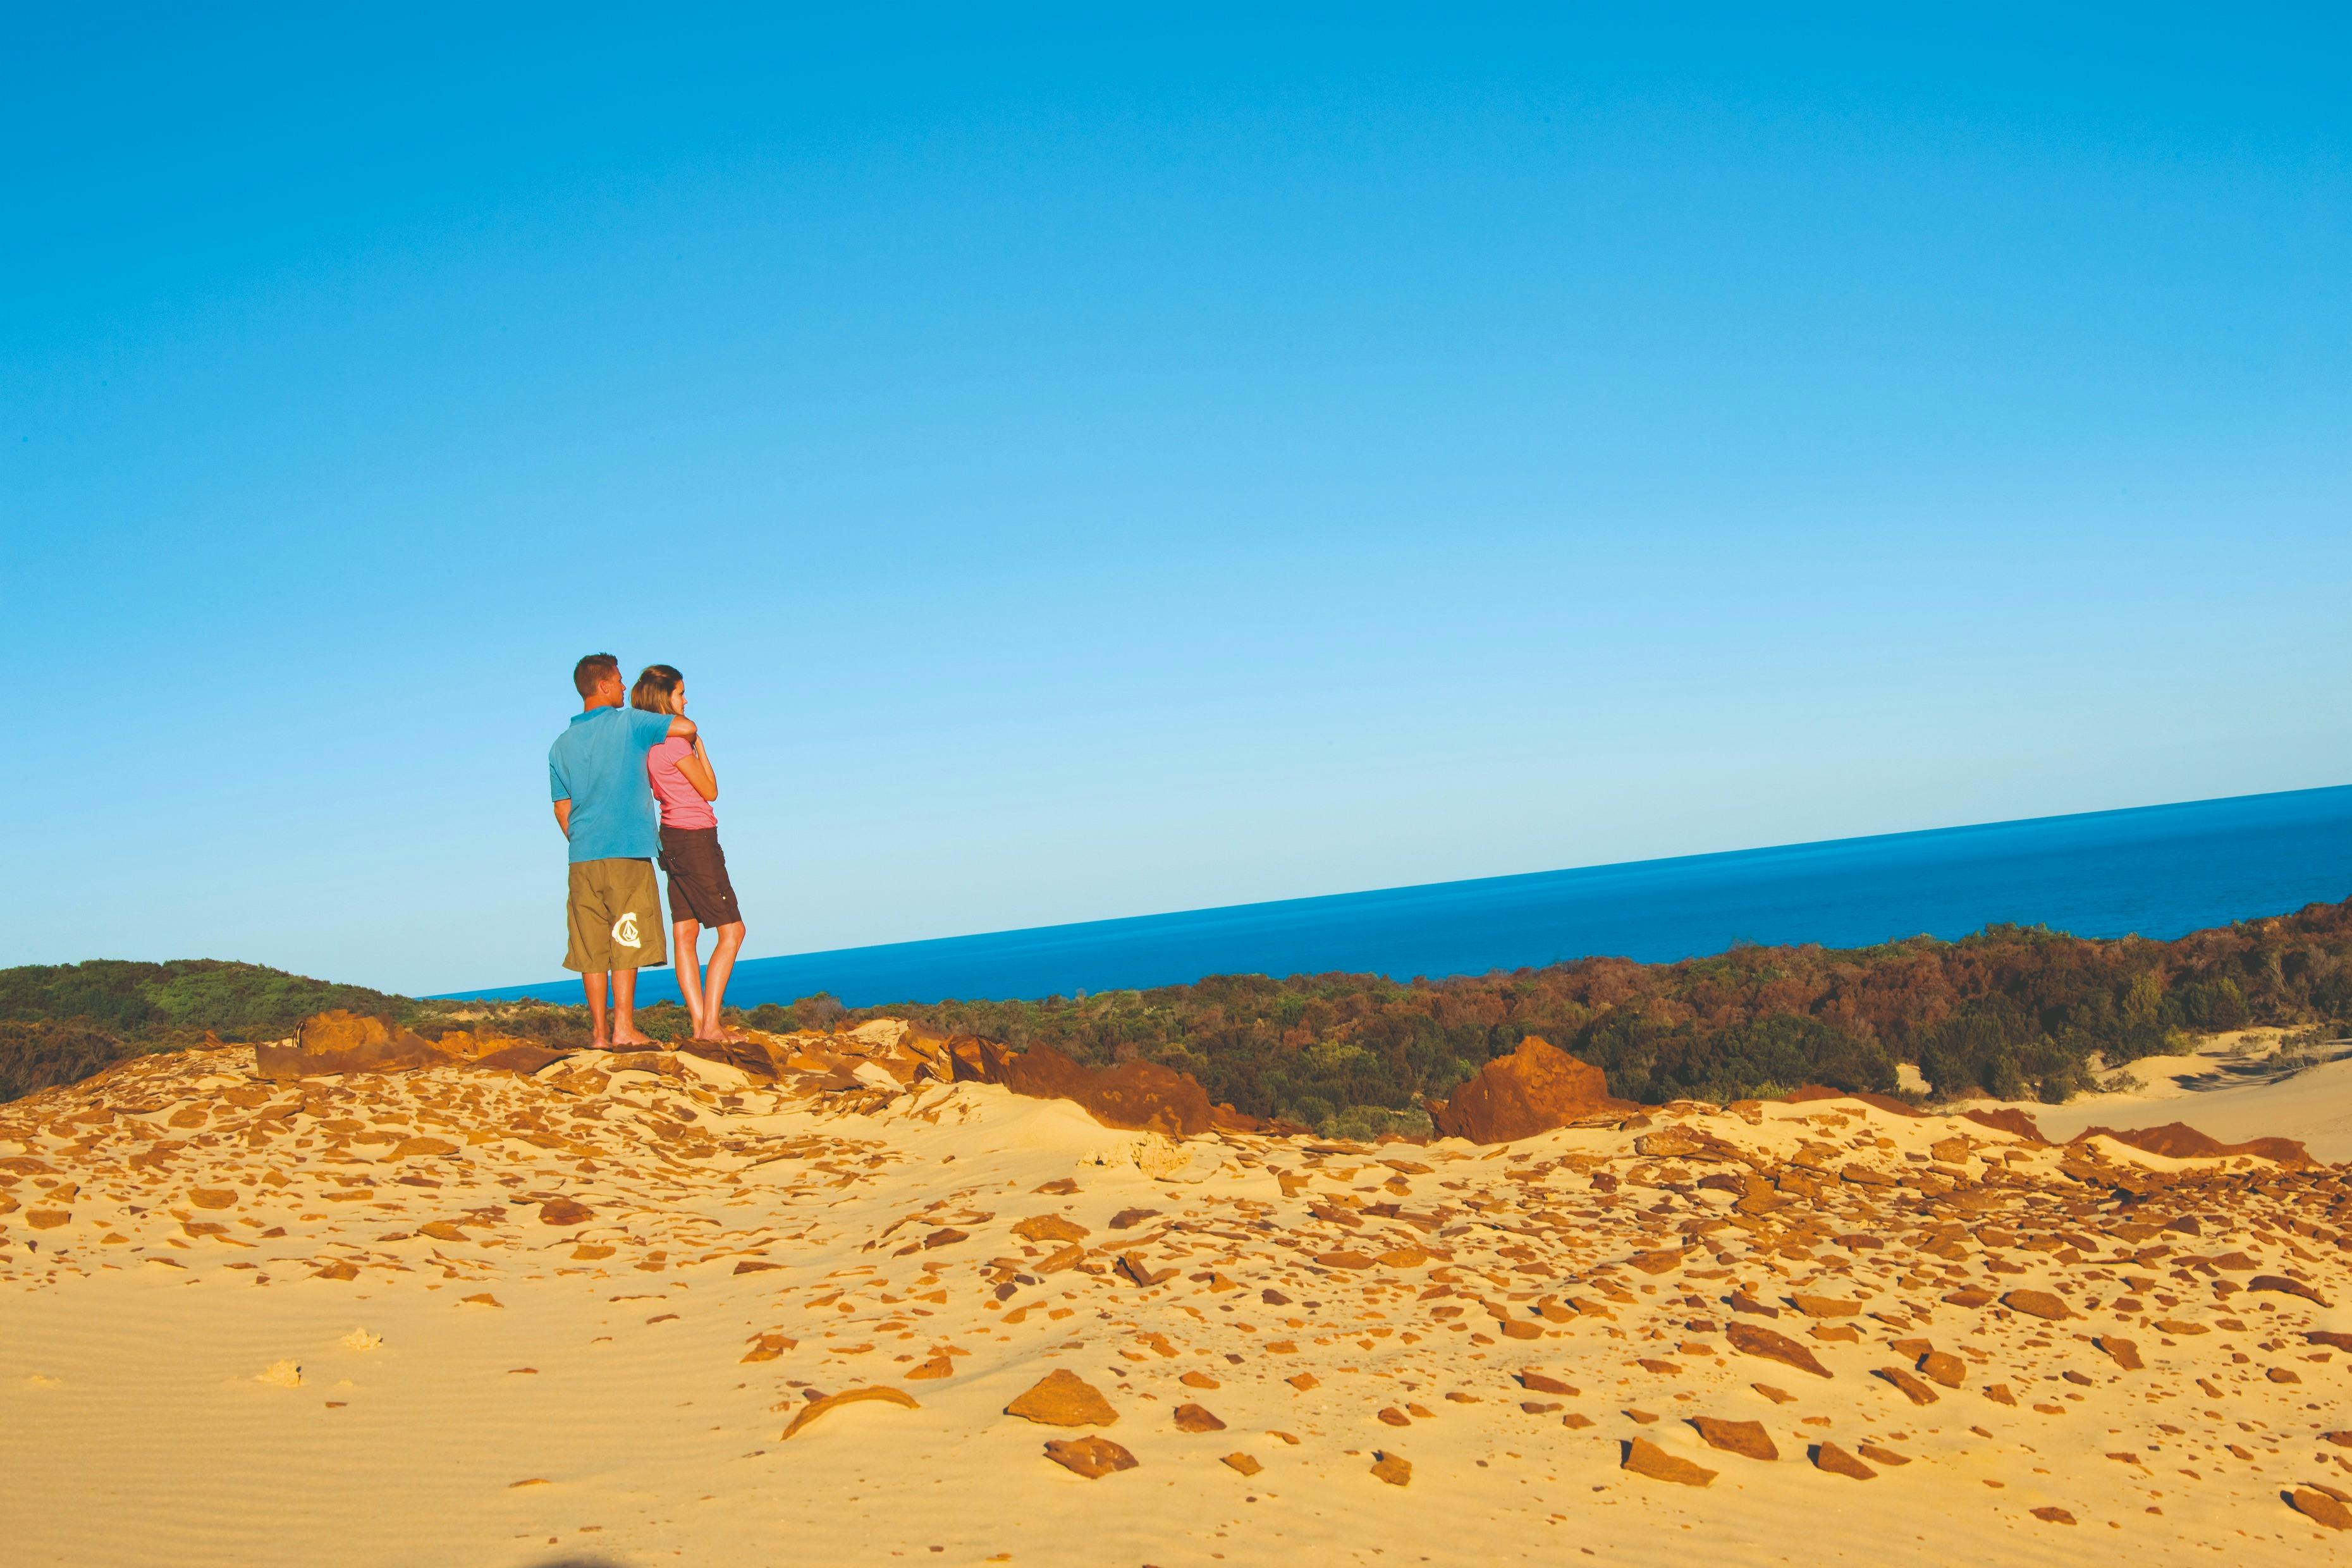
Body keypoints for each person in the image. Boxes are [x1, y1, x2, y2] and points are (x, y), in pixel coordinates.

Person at [549, 652, 696, 1049]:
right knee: (627, 937)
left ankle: (598, 1035)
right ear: (603, 686)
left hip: (582, 858)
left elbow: (561, 807)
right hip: (626, 852)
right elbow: (685, 726)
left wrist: (583, 839)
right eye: (618, 680)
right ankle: (624, 1029)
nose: (624, 687)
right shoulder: (629, 721)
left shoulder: (560, 745)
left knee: (590, 947)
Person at [630, 664, 747, 1042]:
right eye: (681, 693)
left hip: (670, 837)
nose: (686, 699)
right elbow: (710, 790)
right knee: (732, 931)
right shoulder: (676, 742)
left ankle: (700, 1024)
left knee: (686, 932)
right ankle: (710, 1026)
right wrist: (701, 745)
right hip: (696, 837)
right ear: (666, 698)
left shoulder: (646, 744)